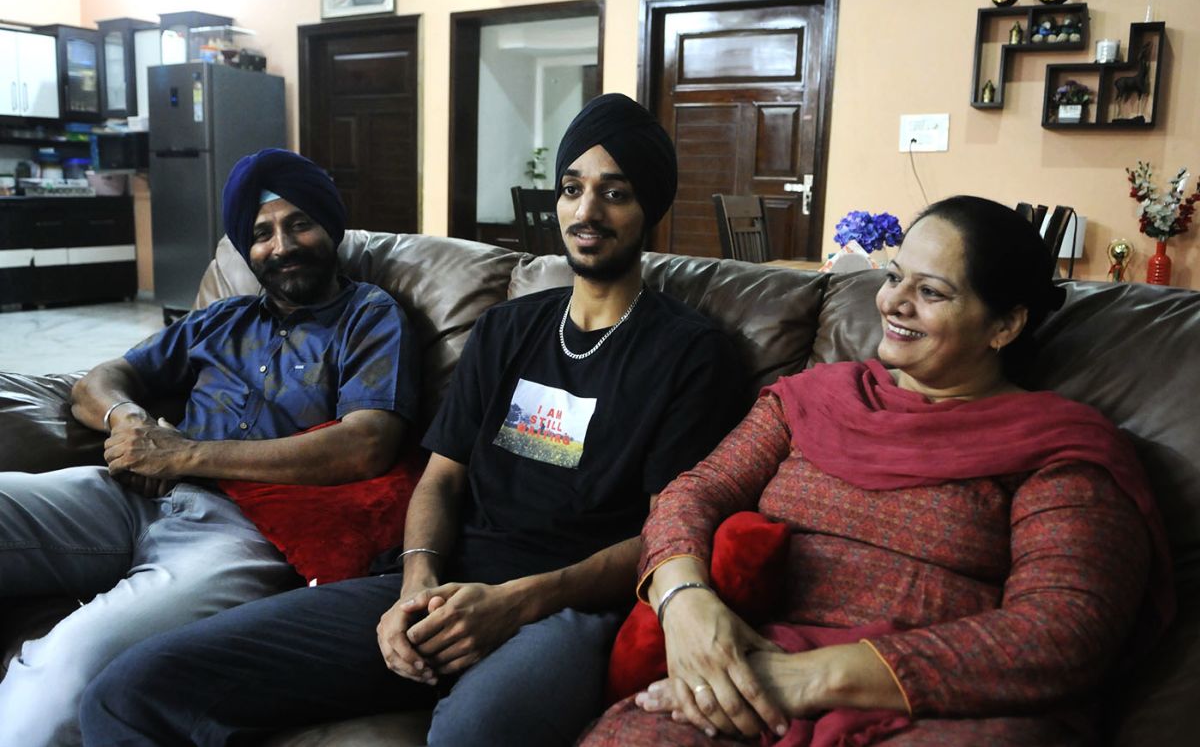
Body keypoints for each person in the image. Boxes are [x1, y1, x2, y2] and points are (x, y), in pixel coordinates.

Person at [80, 93, 746, 747]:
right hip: (440, 584)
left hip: (565, 610)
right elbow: (441, 480)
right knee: (134, 687)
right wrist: (415, 581)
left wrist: (515, 602)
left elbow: (667, 531)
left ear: (648, 208)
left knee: (470, 733)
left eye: (615, 192)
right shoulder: (506, 329)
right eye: (572, 188)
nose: (586, 211)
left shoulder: (692, 354)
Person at [581, 196, 1173, 746]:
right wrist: (686, 606)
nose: (893, 302)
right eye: (894, 277)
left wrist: (810, 677)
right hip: (752, 668)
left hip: (937, 701)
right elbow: (691, 494)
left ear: (1004, 325)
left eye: (932, 292)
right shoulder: (812, 398)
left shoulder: (1059, 447)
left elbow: (1063, 628)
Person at [0, 148, 419, 747]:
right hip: (137, 498)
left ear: (331, 228)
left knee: (72, 659)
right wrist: (133, 425)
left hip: (241, 535)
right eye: (262, 233)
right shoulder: (219, 321)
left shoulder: (369, 317)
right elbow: (97, 381)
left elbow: (366, 444)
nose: (282, 245)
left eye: (299, 223)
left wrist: (184, 454)